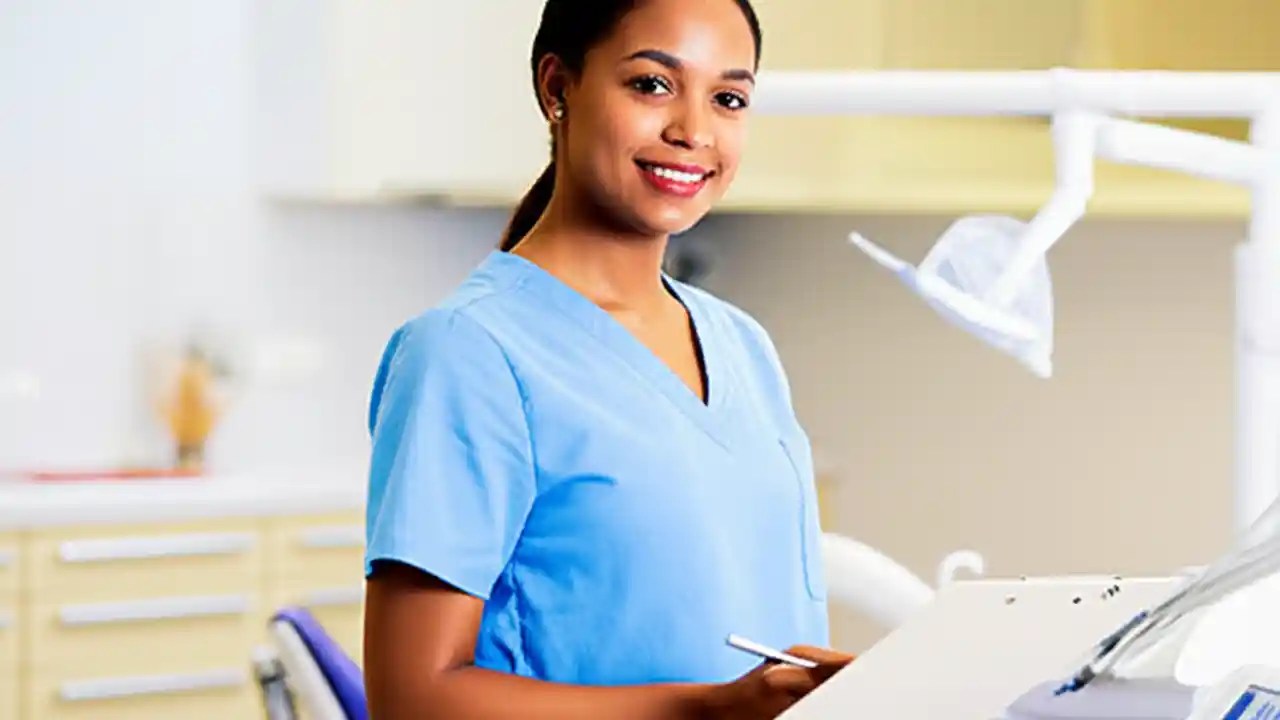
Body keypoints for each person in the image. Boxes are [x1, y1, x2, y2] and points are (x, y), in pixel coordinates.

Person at [361, 0, 854, 717]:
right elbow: (414, 695)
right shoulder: (467, 353)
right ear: (558, 89)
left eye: (728, 98)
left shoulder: (743, 344)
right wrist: (704, 711)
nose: (693, 131)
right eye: (652, 85)